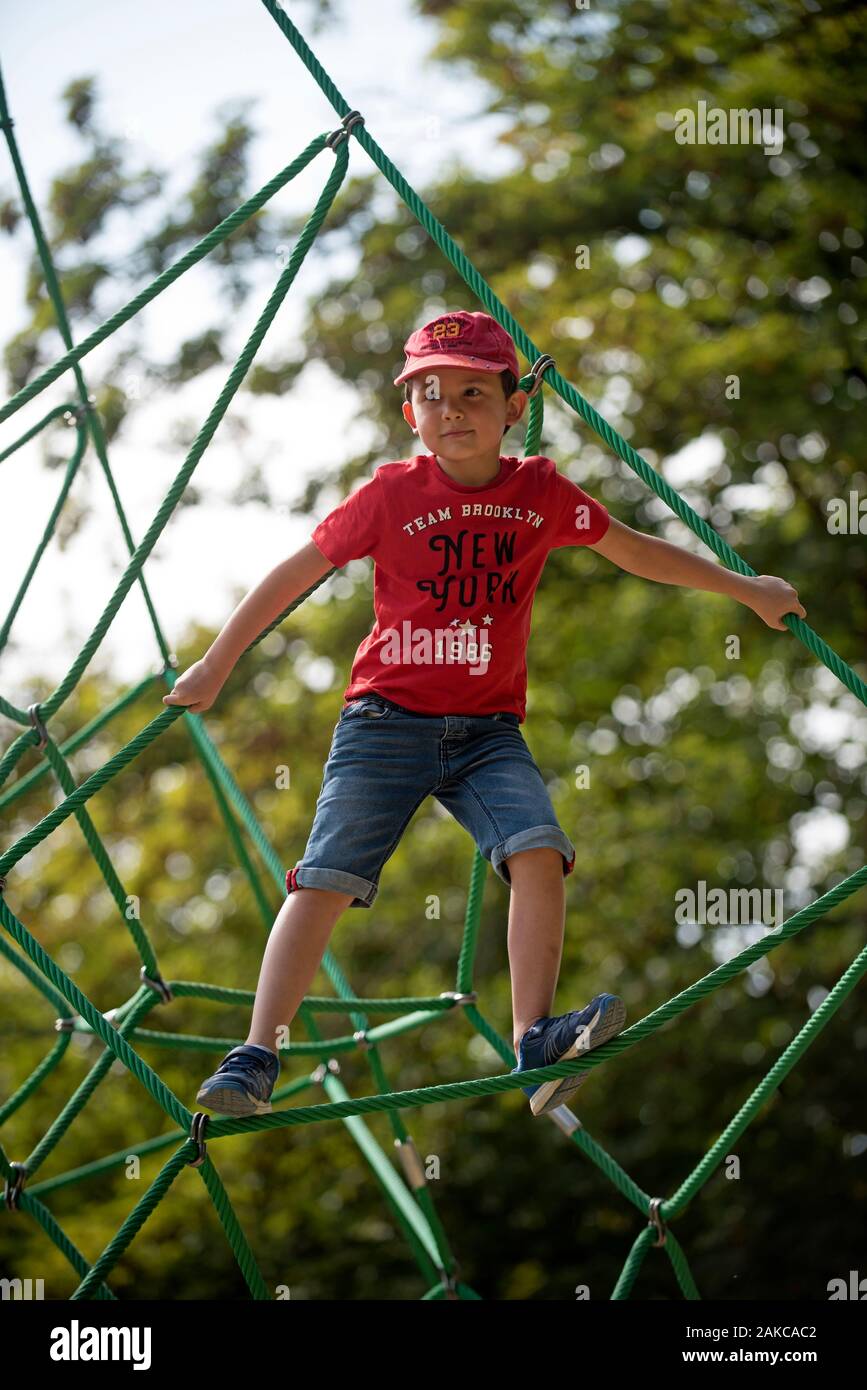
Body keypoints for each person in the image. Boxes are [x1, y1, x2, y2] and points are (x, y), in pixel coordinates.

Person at [164, 309, 806, 1119]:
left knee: (538, 848)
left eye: (474, 391)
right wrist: (218, 662)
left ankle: (534, 1040)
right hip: (384, 722)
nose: (454, 409)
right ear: (410, 414)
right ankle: (256, 1052)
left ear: (513, 408)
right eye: (433, 394)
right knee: (325, 877)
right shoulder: (391, 494)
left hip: (486, 734)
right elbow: (294, 573)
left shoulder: (538, 491)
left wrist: (746, 590)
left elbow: (636, 549)